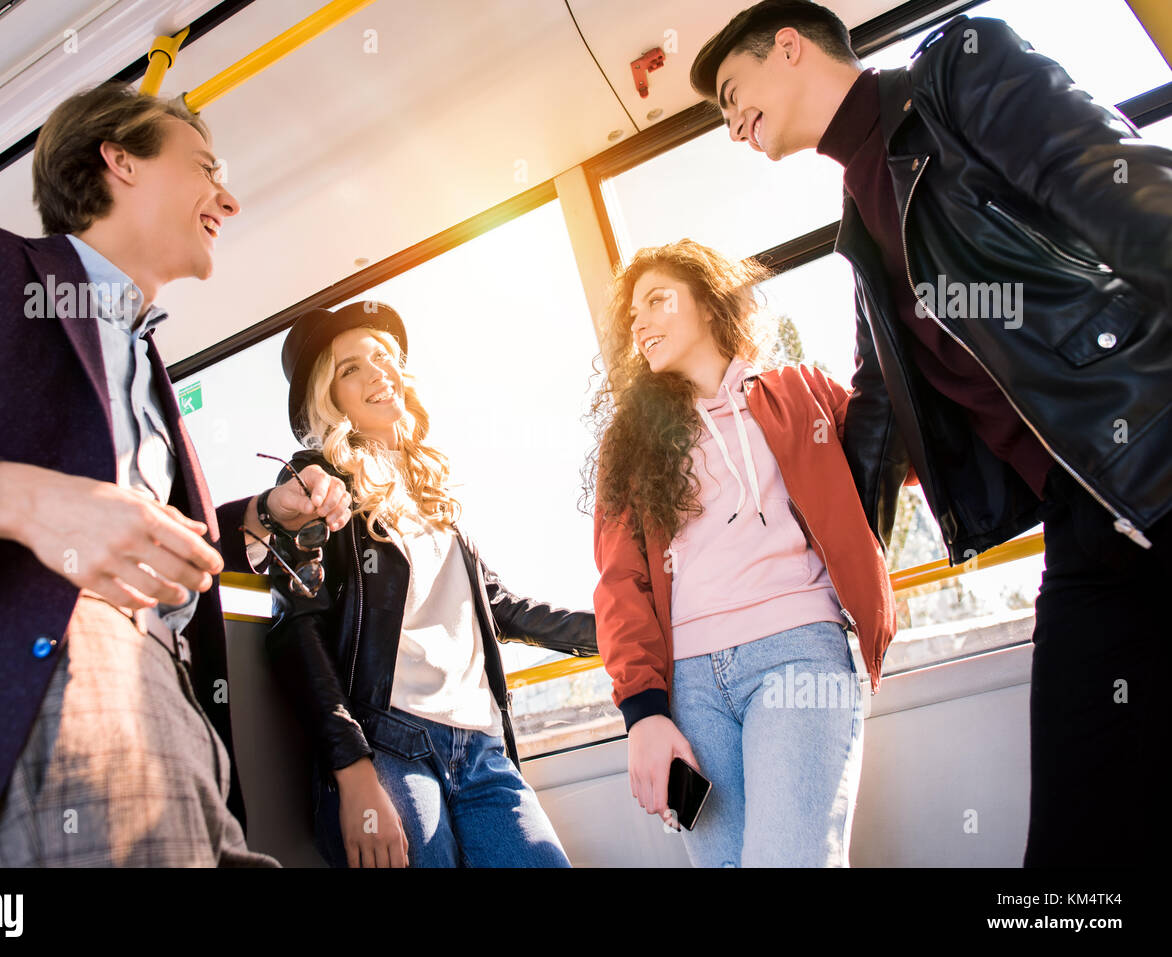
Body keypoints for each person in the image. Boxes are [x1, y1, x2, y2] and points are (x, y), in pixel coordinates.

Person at [690, 0, 1172, 866]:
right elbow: (877, 422)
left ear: (790, 47)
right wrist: (804, 566)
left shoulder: (958, 71)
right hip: (1088, 525)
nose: (732, 125)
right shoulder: (861, 229)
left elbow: (1116, 180)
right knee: (1073, 843)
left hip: (1154, 447)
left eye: (732, 93)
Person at [0, 82, 349, 866]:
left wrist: (261, 514)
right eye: (204, 167)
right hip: (40, 703)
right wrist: (14, 499)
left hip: (184, 725)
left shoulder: (146, 360)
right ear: (119, 161)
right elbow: (71, 512)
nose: (226, 199)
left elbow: (124, 526)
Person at [586, 239, 898, 866]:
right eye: (632, 316)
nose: (640, 321)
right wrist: (644, 713)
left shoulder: (801, 390)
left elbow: (898, 447)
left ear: (707, 302)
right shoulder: (633, 440)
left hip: (798, 652)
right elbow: (619, 583)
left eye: (657, 299)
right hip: (690, 688)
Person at [262, 301, 599, 867]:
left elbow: (498, 606)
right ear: (331, 398)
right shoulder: (314, 480)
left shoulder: (428, 489)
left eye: (381, 357)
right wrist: (353, 772)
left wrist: (618, 630)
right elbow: (296, 629)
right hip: (388, 746)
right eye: (350, 369)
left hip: (482, 747)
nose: (375, 373)